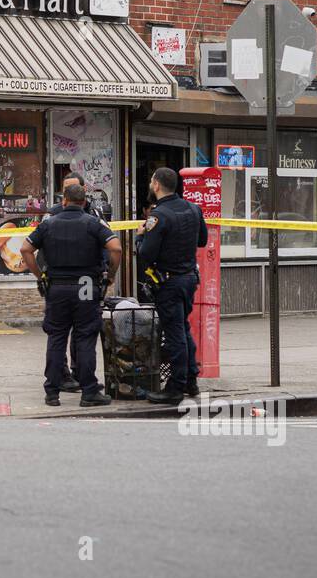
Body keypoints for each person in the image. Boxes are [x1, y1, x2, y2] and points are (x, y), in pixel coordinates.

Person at [21, 183, 121, 407]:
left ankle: (52, 392)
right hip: (86, 288)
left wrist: (40, 276)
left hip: (56, 288)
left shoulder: (48, 224)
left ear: (63, 201)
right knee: (85, 337)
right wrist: (110, 275)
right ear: (84, 202)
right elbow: (116, 248)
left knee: (56, 337)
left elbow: (25, 249)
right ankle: (89, 392)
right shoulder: (93, 223)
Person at [137, 166, 208, 404]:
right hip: (189, 279)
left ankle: (175, 387)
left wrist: (140, 236)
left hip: (169, 282)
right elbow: (202, 240)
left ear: (156, 185)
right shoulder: (193, 208)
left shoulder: (159, 216)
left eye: (151, 182)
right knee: (183, 329)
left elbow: (146, 254)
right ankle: (190, 380)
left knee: (175, 332)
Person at [45, 171, 100, 392]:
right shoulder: (52, 215)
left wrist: (105, 271)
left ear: (82, 190)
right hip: (70, 282)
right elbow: (114, 247)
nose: (64, 193)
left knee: (80, 333)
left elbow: (27, 248)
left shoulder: (94, 213)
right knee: (69, 333)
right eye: (64, 188)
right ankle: (66, 377)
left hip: (80, 283)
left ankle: (76, 376)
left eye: (70, 188)